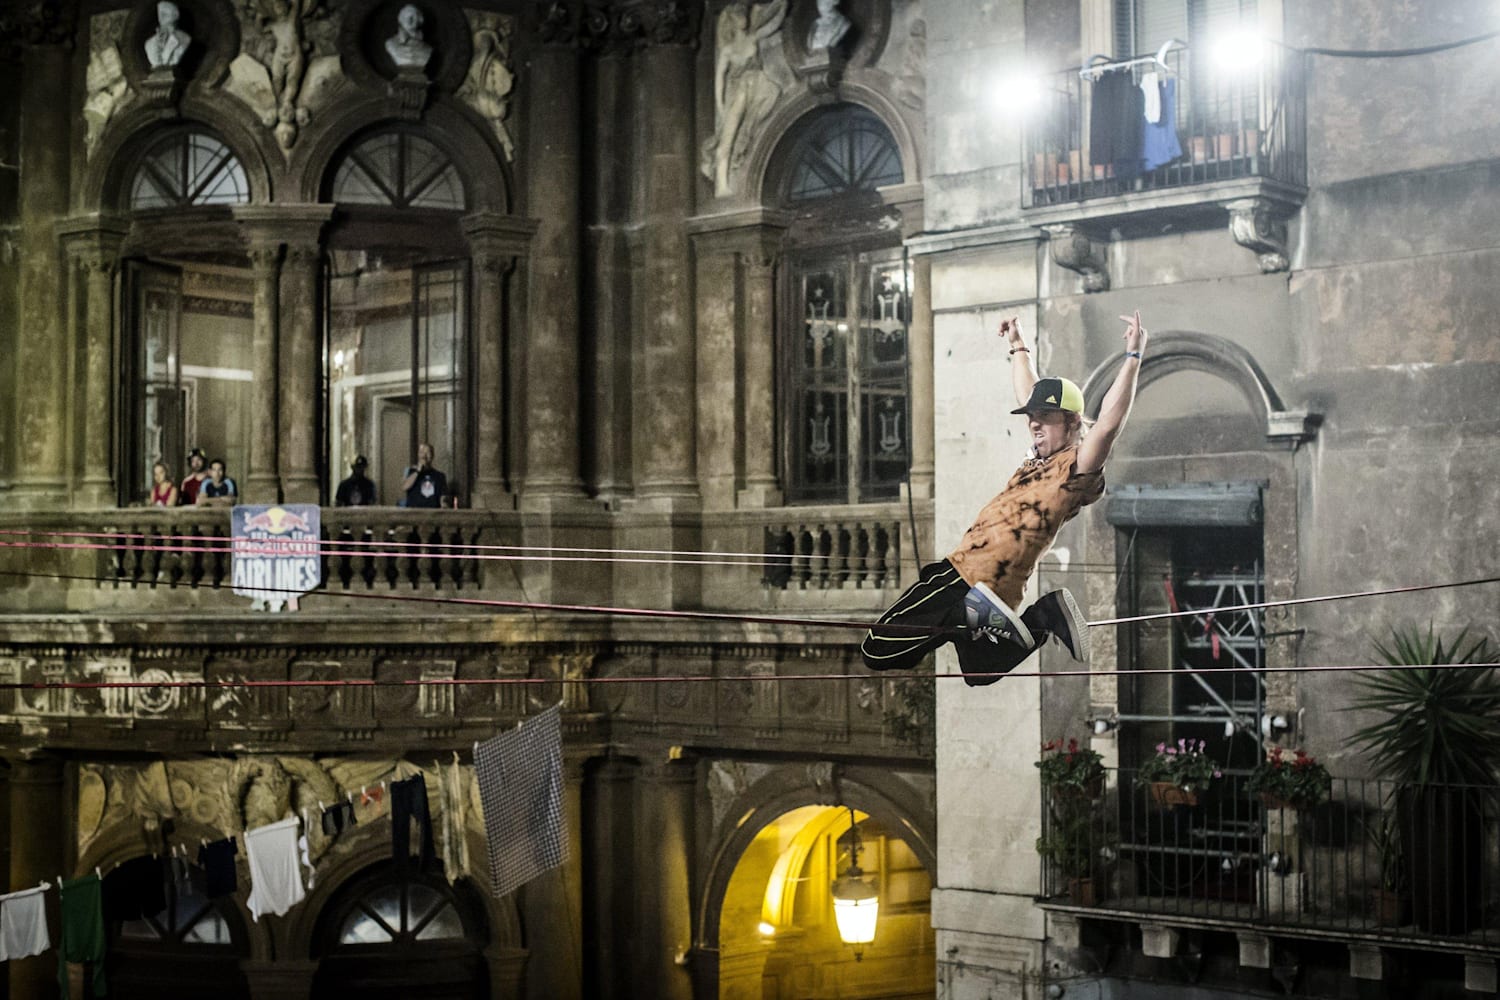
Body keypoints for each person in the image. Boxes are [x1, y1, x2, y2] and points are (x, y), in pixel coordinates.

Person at [860, 312, 1149, 686]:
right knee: (981, 670)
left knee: (876, 648)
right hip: (997, 591)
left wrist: (1133, 357)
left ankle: (966, 614)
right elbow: (1026, 392)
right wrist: (1017, 344)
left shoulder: (1076, 468)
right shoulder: (1037, 459)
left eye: (1046, 418)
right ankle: (1044, 617)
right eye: (1032, 418)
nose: (1034, 424)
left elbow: (1109, 423)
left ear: (1074, 423)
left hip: (964, 576)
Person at [144, 0, 192, 69]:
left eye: (165, 14)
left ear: (175, 16)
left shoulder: (185, 38)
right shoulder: (149, 43)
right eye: (160, 14)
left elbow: (174, 61)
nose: (161, 17)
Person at [385, 4, 433, 70]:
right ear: (400, 19)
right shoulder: (390, 44)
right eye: (406, 16)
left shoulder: (428, 48)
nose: (410, 20)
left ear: (419, 20)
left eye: (414, 16)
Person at [400, 443, 446, 508]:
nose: (424, 456)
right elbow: (404, 487)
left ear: (432, 455)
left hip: (433, 513)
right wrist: (417, 471)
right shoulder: (410, 471)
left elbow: (443, 498)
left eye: (427, 453)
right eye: (421, 452)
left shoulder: (440, 476)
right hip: (413, 512)